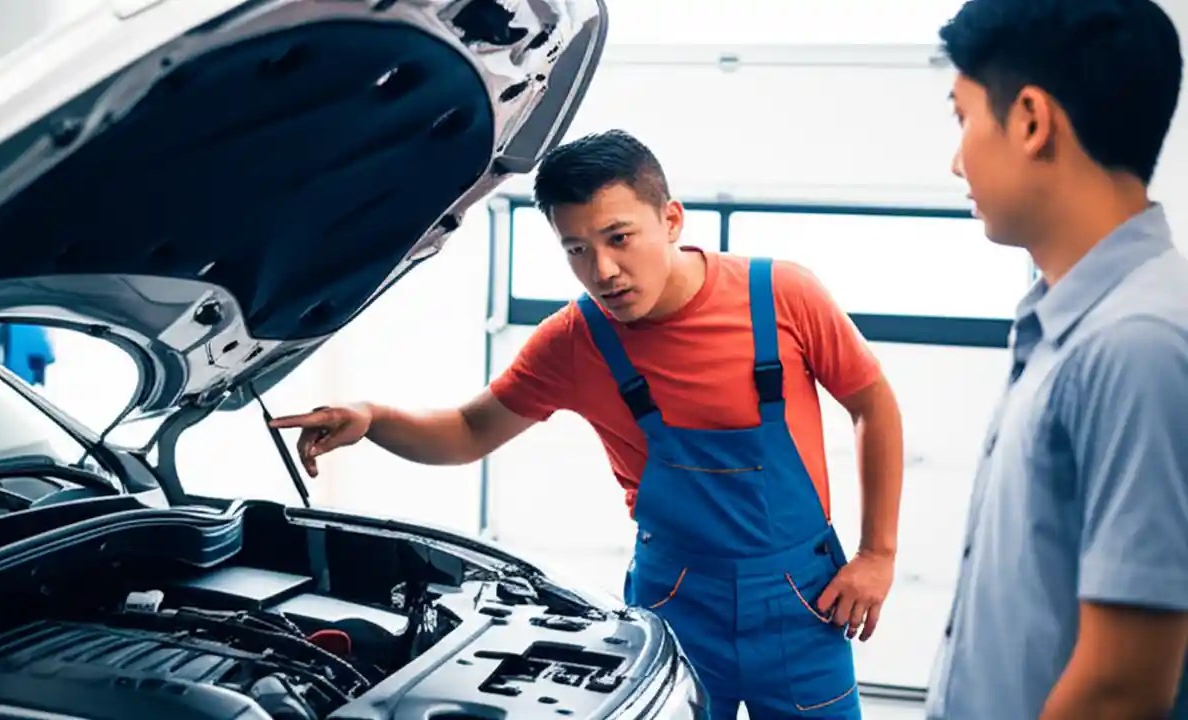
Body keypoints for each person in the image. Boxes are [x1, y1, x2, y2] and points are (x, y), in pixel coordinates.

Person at [269, 130, 904, 720]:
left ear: (671, 219)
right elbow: (468, 432)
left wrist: (877, 554)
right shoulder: (575, 341)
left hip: (800, 599)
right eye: (577, 248)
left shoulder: (782, 296)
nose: (602, 271)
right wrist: (373, 419)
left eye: (619, 237)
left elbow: (873, 406)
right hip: (675, 601)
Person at [925, 1, 1188, 718]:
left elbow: (1122, 686)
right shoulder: (1070, 323)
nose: (956, 159)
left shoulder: (1137, 342)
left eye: (962, 118)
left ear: (1032, 121)